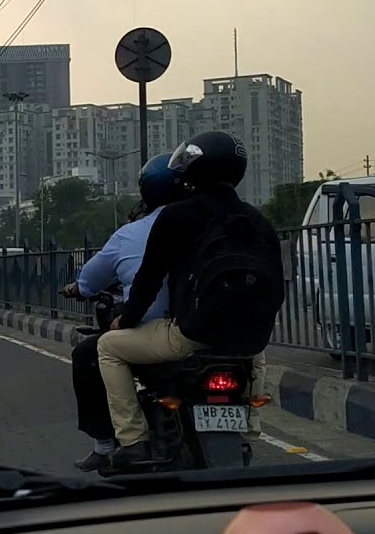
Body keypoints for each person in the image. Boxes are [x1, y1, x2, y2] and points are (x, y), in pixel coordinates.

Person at [96, 131, 285, 471]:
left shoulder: (178, 215)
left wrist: (124, 319)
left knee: (108, 348)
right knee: (253, 350)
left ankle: (133, 441)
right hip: (249, 341)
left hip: (190, 335)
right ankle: (250, 422)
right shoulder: (259, 221)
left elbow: (148, 281)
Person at [64, 153, 187, 471]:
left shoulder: (132, 233)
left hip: (159, 334)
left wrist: (78, 289)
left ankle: (117, 442)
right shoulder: (210, 223)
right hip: (210, 328)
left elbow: (89, 280)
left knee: (93, 352)